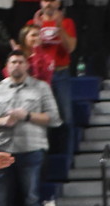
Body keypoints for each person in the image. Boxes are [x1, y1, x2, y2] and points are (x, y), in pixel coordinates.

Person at [0, 50, 61, 206]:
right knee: (1, 204)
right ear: (7, 66)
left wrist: (26, 115)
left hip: (31, 150)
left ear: (27, 65)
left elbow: (53, 118)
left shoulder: (41, 88)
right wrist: (3, 121)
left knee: (31, 201)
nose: (16, 65)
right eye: (13, 62)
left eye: (20, 62)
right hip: (3, 150)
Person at [25, 0, 75, 144]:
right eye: (46, 0)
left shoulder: (67, 22)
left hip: (60, 73)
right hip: (38, 75)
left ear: (59, 2)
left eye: (52, 0)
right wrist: (35, 34)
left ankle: (66, 155)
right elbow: (26, 49)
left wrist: (59, 26)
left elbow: (70, 48)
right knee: (41, 116)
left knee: (65, 116)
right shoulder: (31, 22)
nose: (49, 4)